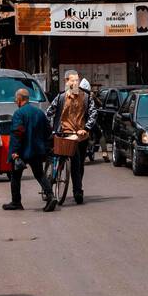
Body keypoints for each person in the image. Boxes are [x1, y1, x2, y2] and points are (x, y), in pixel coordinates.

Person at [46, 70, 97, 205]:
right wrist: (50, 129)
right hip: (63, 134)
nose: (75, 83)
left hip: (81, 136)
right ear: (66, 82)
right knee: (60, 160)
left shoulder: (86, 97)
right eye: (72, 80)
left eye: (77, 80)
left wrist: (85, 129)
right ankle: (51, 185)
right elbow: (49, 113)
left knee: (78, 165)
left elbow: (93, 114)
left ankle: (77, 191)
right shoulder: (61, 97)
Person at [4, 88, 57, 212]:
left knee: (15, 176)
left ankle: (16, 202)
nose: (15, 101)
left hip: (22, 150)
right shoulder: (39, 112)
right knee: (39, 174)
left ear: (20, 99)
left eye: (16, 99)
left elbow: (17, 133)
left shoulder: (19, 113)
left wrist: (15, 152)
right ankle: (50, 196)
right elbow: (48, 131)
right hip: (37, 150)